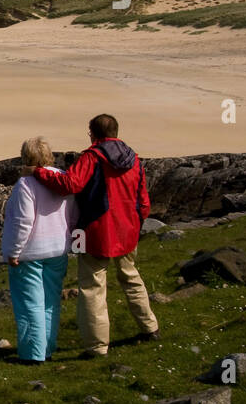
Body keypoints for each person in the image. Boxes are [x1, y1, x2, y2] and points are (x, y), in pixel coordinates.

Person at [32, 114, 159, 358]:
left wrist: (40, 173)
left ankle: (97, 346)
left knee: (92, 288)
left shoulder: (91, 157)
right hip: (127, 230)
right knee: (131, 278)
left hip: (94, 231)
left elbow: (70, 184)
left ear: (93, 133)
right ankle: (150, 327)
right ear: (116, 132)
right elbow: (143, 202)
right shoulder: (133, 158)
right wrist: (136, 223)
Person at [2, 137, 75, 364]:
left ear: (26, 157)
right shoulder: (63, 179)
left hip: (31, 252)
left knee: (30, 304)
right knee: (51, 302)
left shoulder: (26, 184)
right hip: (58, 249)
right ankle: (47, 349)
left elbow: (23, 221)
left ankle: (32, 354)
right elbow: (73, 213)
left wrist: (14, 251)